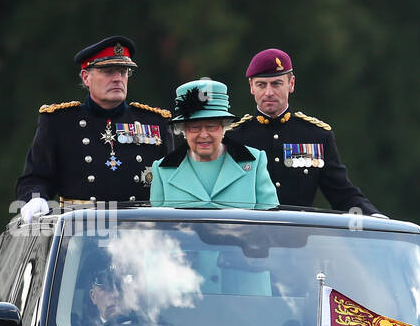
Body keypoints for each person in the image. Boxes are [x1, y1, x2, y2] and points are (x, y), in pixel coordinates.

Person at [15, 36, 173, 220]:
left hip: (139, 233)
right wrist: (36, 199)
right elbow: (35, 178)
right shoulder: (59, 122)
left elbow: (172, 182)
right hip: (81, 232)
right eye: (108, 72)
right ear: (86, 77)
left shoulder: (154, 123)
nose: (117, 79)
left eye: (123, 72)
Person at [226, 48, 380, 214]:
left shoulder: (316, 136)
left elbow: (342, 194)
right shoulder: (233, 138)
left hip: (297, 236)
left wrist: (376, 218)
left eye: (276, 84)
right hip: (248, 236)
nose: (268, 92)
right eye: (261, 85)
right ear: (251, 87)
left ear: (291, 84)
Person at [150, 79, 278, 210]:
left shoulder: (254, 163)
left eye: (211, 126)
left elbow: (273, 223)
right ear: (183, 130)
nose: (204, 135)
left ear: (224, 127)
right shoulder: (162, 171)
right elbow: (156, 227)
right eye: (195, 127)